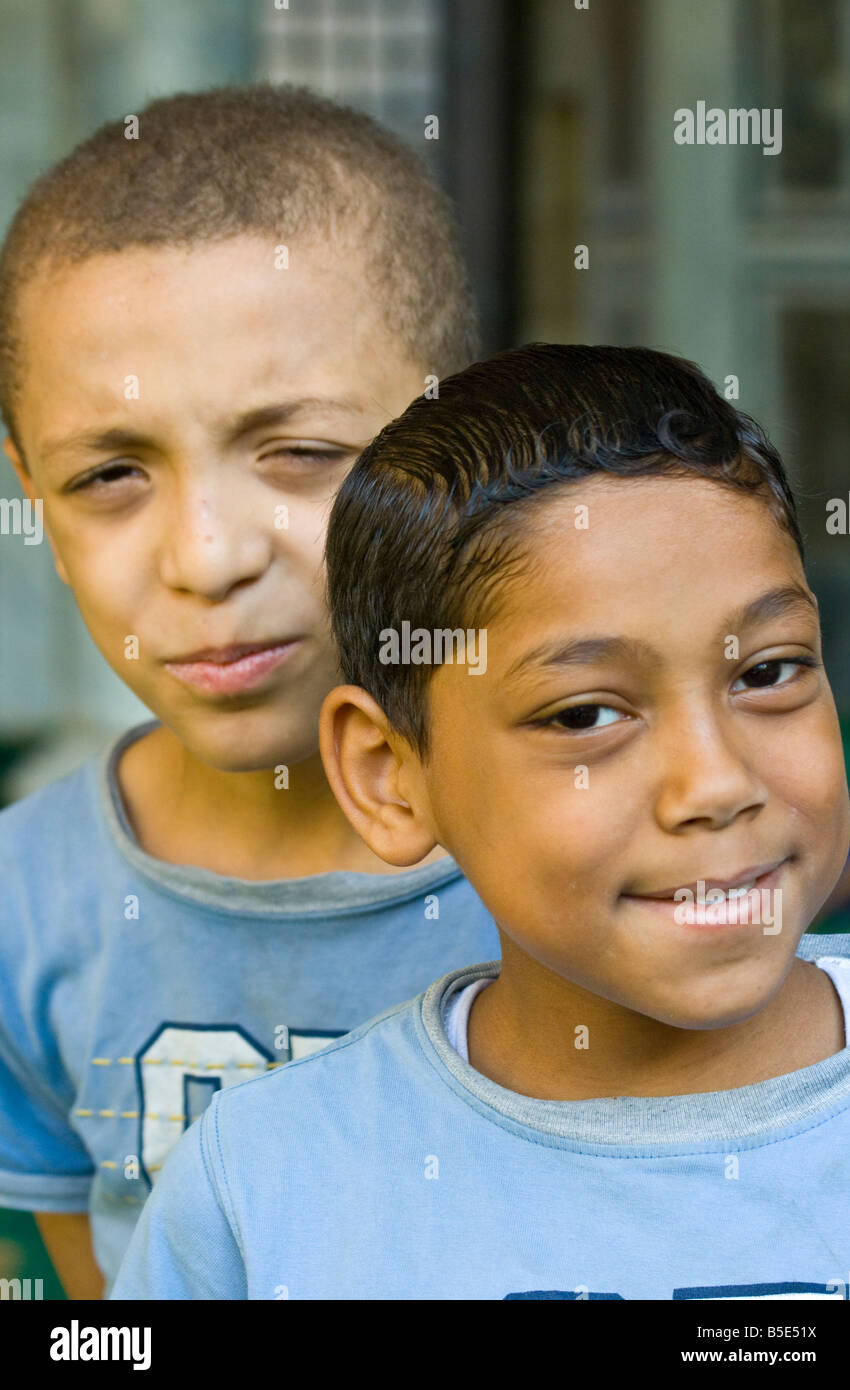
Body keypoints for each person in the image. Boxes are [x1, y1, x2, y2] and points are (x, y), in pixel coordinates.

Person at [112, 342, 850, 1301]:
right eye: (586, 714)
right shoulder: (268, 1186)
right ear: (391, 778)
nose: (716, 785)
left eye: (767, 671)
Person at [0, 84, 498, 1297]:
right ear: (26, 484)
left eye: (300, 453)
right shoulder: (24, 909)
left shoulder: (599, 855)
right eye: (112, 473)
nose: (207, 555)